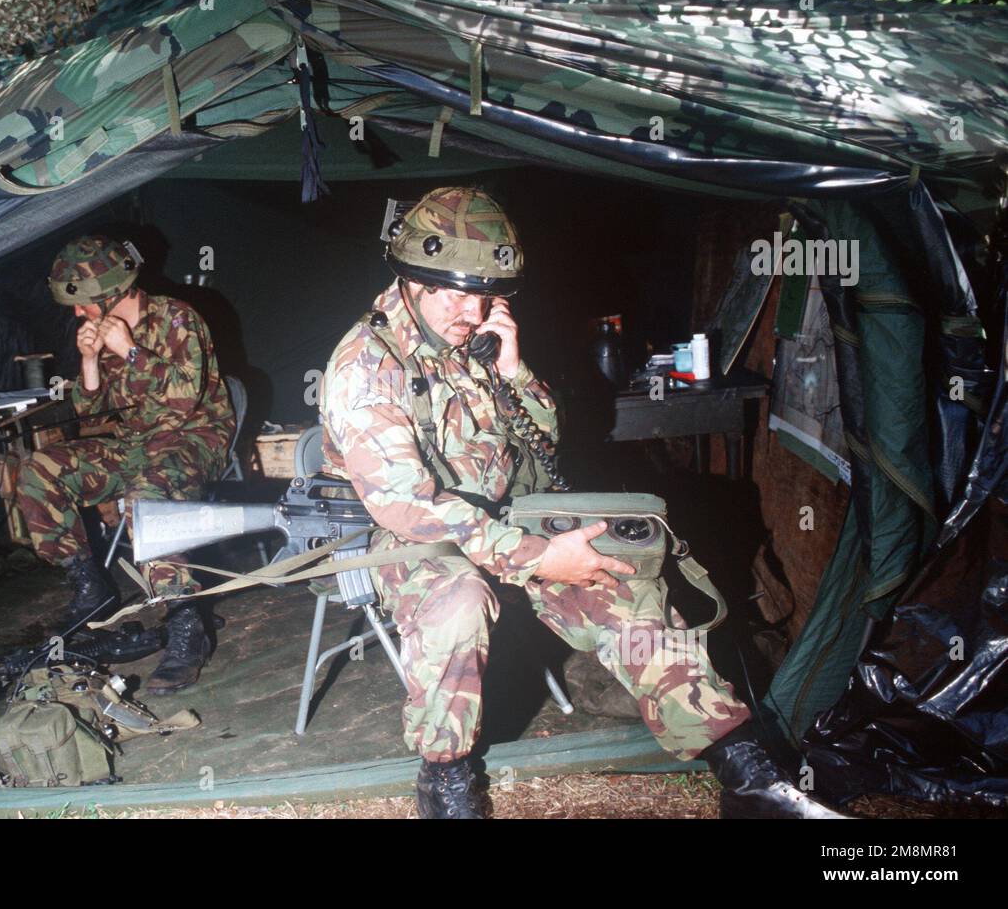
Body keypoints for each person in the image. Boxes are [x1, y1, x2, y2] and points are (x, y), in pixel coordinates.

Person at [319, 187, 845, 818]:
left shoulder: (473, 338)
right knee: (457, 604)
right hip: (420, 537)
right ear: (410, 279)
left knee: (624, 580)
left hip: (513, 519)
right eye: (456, 293)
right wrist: (538, 557)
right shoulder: (366, 366)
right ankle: (447, 781)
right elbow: (407, 506)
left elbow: (546, 437)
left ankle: (744, 769)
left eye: (487, 294)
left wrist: (512, 371)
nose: (473, 309)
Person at [15, 235, 235, 693]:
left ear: (112, 294)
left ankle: (185, 624)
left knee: (144, 497)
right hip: (135, 444)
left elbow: (183, 399)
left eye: (84, 305)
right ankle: (89, 586)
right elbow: (91, 410)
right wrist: (91, 360)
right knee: (40, 466)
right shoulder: (102, 332)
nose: (78, 314)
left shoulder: (178, 318)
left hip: (194, 440)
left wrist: (131, 351)